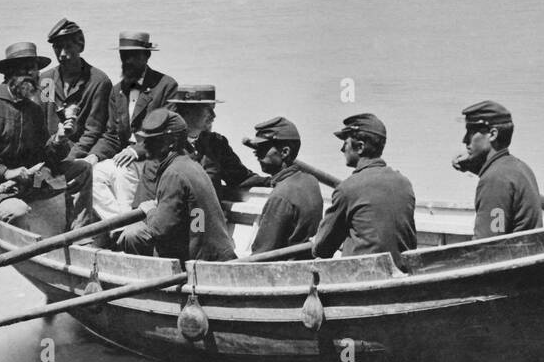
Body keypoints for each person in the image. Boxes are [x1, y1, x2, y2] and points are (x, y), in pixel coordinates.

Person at [0, 42, 94, 227]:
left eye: (36, 70)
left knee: (82, 169)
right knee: (18, 211)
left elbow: (43, 156)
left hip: (26, 181)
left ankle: (79, 237)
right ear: (10, 73)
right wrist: (4, 172)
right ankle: (24, 252)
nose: (33, 75)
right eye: (26, 69)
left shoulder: (34, 110)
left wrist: (59, 139)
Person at [114, 110, 236, 262]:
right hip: (210, 253)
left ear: (171, 142)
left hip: (200, 262)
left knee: (132, 234)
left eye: (152, 141)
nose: (144, 146)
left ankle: (154, 285)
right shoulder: (189, 165)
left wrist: (150, 210)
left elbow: (160, 229)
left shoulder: (173, 173)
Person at [85, 31, 177, 220]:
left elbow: (169, 131)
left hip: (154, 157)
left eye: (134, 55)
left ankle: (129, 230)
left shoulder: (166, 86)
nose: (127, 61)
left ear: (147, 55)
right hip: (124, 157)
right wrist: (93, 156)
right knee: (94, 174)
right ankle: (119, 227)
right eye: (124, 55)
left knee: (122, 172)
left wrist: (136, 151)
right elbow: (111, 135)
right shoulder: (117, 91)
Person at [312, 113, 416, 266]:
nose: (342, 149)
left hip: (363, 277)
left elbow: (322, 249)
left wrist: (316, 241)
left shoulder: (347, 189)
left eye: (345, 143)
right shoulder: (404, 183)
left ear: (360, 147)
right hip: (402, 273)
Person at [451, 101, 542, 239]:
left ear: (493, 134)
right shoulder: (519, 168)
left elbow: (487, 247)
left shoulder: (495, 179)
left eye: (471, 132)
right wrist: (473, 165)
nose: (464, 140)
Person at [243, 117, 323, 254]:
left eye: (262, 149)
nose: (256, 154)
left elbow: (262, 254)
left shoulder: (281, 195)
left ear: (285, 152)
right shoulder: (311, 181)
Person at [169, 85, 260, 198]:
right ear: (187, 110)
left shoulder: (216, 144)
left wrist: (279, 179)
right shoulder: (163, 145)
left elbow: (240, 177)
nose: (214, 115)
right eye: (208, 109)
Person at [41, 19, 112, 160]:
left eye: (67, 47)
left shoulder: (98, 81)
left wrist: (70, 161)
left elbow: (92, 132)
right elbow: (39, 125)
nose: (62, 54)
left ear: (80, 45)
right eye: (57, 47)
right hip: (49, 152)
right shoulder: (45, 80)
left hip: (81, 156)